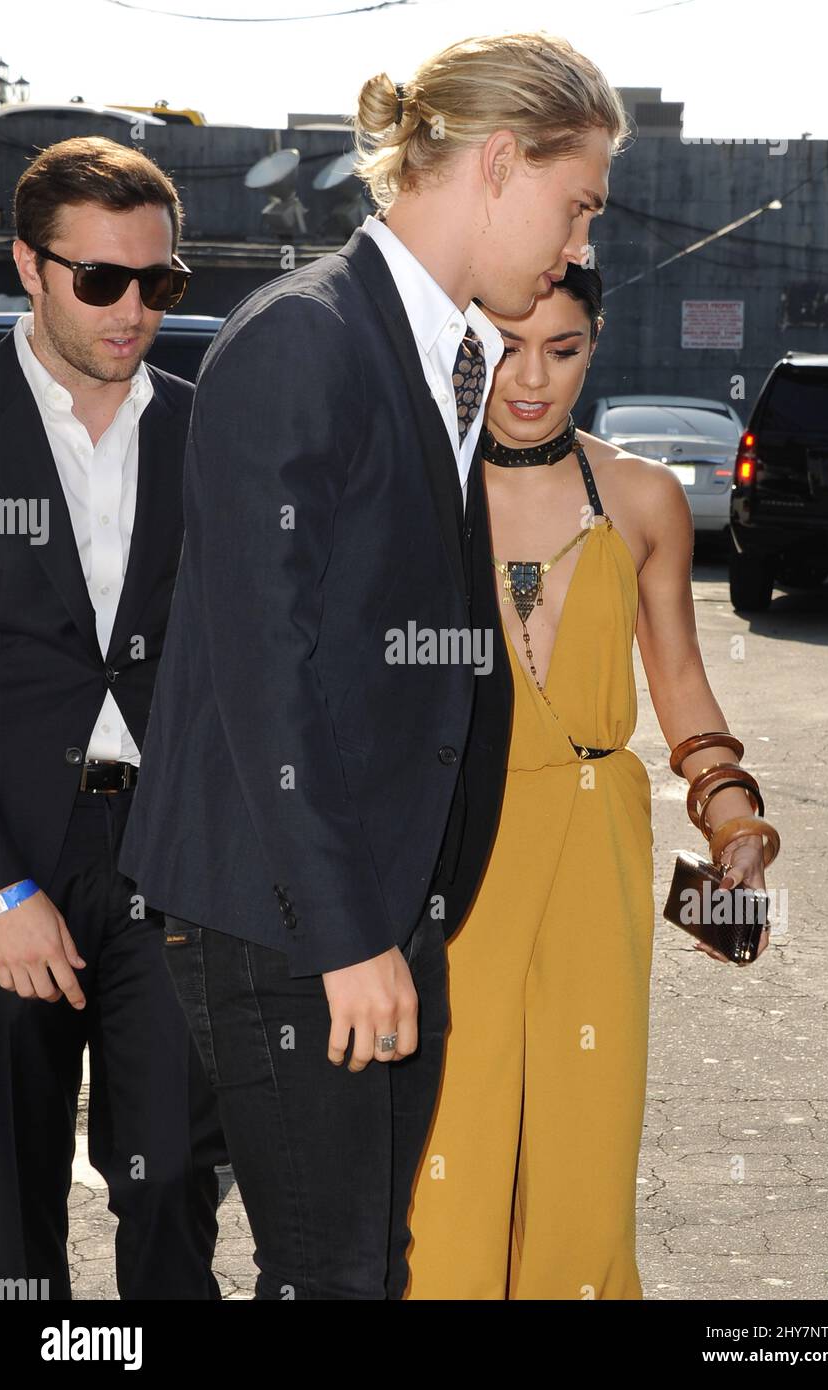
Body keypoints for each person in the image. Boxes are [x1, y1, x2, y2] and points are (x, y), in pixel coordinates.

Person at [117, 33, 628, 1298]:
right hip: (289, 913)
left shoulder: (436, 345)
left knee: (370, 1267)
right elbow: (260, 666)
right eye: (577, 206)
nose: (576, 246)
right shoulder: (304, 339)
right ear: (500, 163)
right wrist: (349, 936)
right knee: (330, 1272)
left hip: (384, 906)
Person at [405, 261, 776, 1299]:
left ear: (593, 345)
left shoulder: (644, 497)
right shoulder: (412, 487)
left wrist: (731, 811)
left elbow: (681, 684)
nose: (531, 379)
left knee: (583, 1135)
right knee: (452, 1139)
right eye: (503, 348)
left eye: (560, 351)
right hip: (453, 846)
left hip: (594, 847)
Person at [0, 136, 225, 1299]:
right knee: (5, 1210)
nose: (134, 310)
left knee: (175, 1172)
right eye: (102, 280)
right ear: (29, 267)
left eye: (161, 283)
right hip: (10, 865)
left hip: (168, 865)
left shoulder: (210, 432)